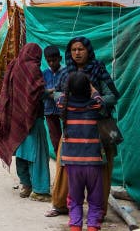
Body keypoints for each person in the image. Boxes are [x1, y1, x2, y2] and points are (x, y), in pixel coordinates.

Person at [47, 36, 120, 219]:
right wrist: (60, 98)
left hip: (96, 129)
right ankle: (60, 204)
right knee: (64, 166)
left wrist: (94, 103)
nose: (77, 53)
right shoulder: (65, 73)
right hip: (72, 128)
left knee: (101, 169)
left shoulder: (98, 70)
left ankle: (98, 210)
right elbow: (56, 92)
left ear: (88, 51)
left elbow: (112, 95)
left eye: (81, 49)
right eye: (73, 50)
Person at [0, 43, 51, 201]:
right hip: (32, 119)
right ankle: (39, 190)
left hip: (15, 118)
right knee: (37, 154)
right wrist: (50, 92)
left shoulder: (14, 65)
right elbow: (36, 93)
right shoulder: (33, 68)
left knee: (21, 153)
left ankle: (26, 186)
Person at [57, 71, 106, 231]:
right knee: (95, 200)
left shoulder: (64, 106)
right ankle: (92, 227)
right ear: (87, 88)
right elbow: (100, 99)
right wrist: (93, 88)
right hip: (93, 161)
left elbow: (61, 98)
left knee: (75, 200)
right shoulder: (94, 106)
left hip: (72, 163)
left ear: (69, 89)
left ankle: (75, 227)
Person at [43, 45, 64, 153]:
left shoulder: (66, 72)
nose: (51, 63)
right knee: (55, 139)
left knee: (67, 138)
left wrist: (50, 92)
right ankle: (59, 164)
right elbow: (41, 92)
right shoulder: (45, 73)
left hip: (64, 111)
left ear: (60, 59)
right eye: (49, 61)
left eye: (54, 60)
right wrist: (55, 92)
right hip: (50, 110)